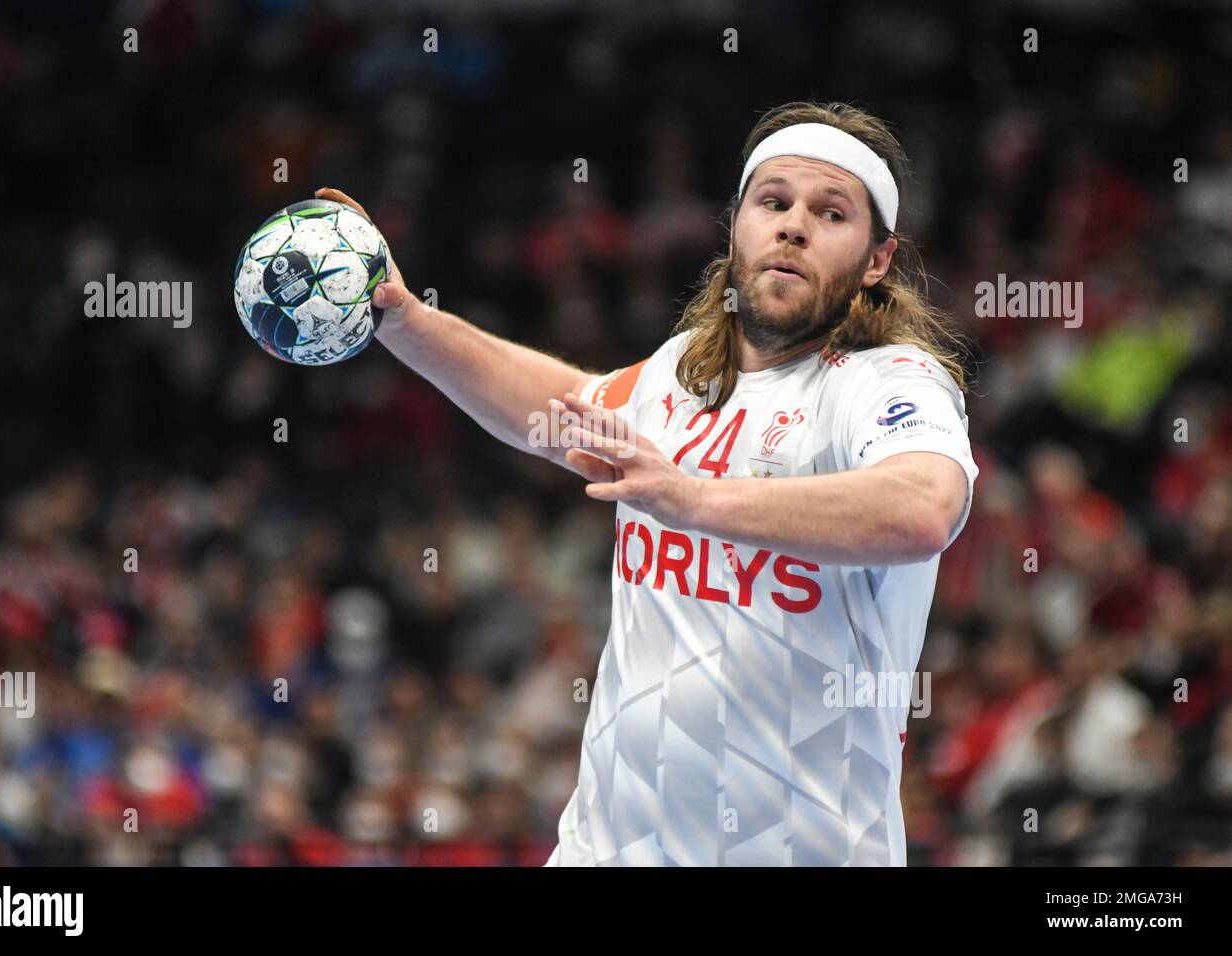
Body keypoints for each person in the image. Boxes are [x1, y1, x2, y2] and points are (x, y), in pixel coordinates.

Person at [318, 99, 978, 866]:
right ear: (737, 226)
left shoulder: (887, 381)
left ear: (877, 260)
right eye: (773, 203)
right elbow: (559, 411)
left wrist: (693, 499)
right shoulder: (681, 373)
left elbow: (926, 505)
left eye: (831, 213)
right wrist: (406, 320)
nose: (794, 225)